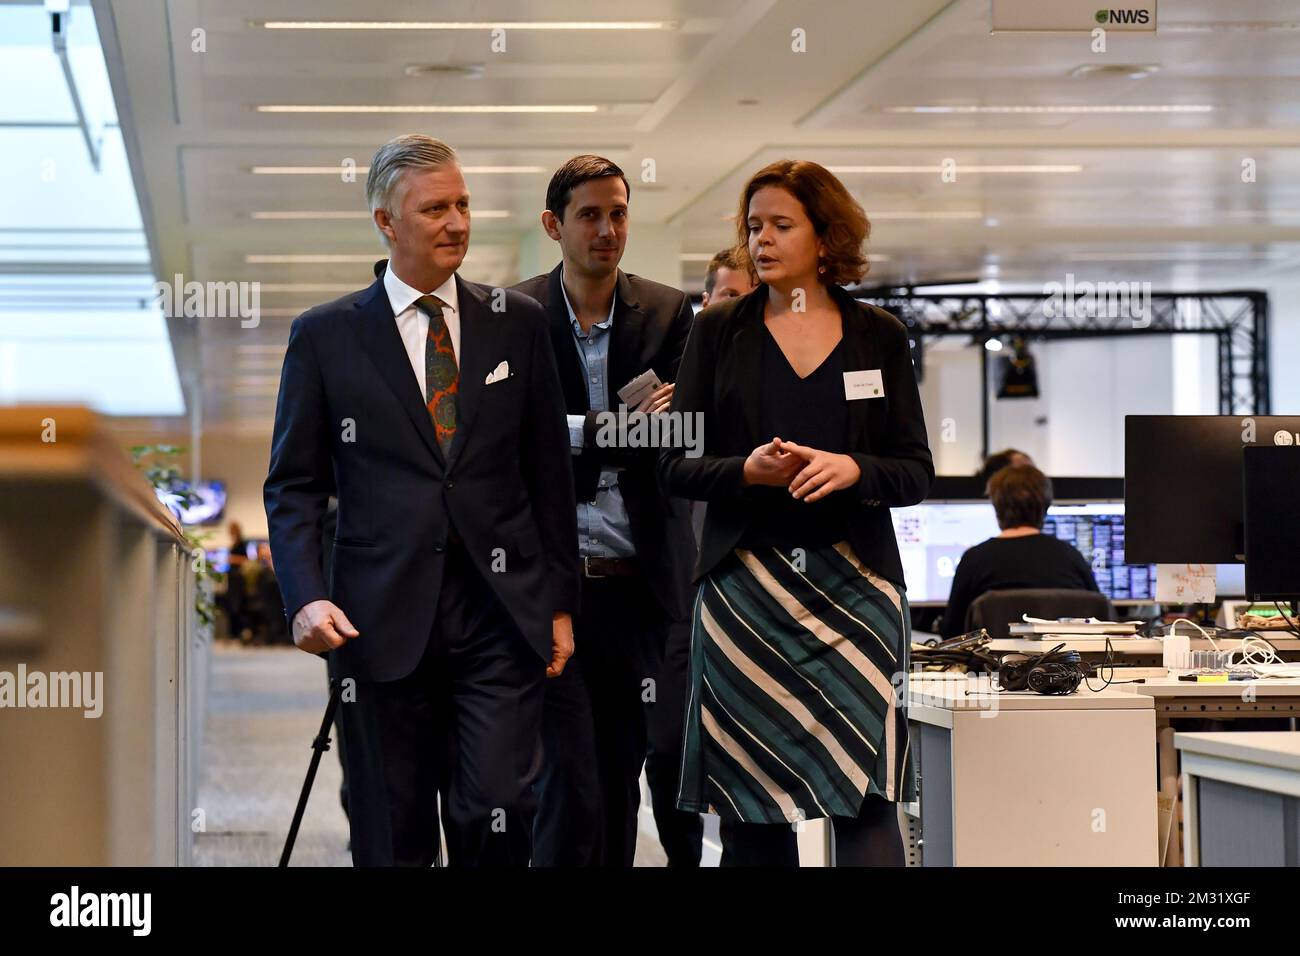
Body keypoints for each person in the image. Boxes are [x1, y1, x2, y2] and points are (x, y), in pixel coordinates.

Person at [264, 133, 579, 867]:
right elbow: (294, 485)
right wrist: (304, 596)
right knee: (392, 832)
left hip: (501, 614)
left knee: (497, 809)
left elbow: (548, 477)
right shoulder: (326, 336)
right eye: (435, 208)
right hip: (376, 620)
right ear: (386, 221)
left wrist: (560, 603)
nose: (456, 222)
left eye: (463, 204)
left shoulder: (517, 323)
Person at [660, 159, 934, 866]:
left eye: (781, 225)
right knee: (753, 810)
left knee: (867, 800)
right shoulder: (717, 330)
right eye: (754, 227)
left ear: (825, 234)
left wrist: (854, 470)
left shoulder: (879, 334)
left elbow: (914, 471)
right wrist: (745, 471)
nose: (762, 241)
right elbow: (675, 464)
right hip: (745, 594)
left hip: (857, 595)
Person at [511, 155, 703, 867]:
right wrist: (608, 431)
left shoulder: (668, 311)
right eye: (590, 214)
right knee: (566, 781)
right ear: (553, 224)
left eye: (618, 212)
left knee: (621, 774)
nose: (607, 229)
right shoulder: (517, 314)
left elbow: (683, 433)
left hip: (637, 582)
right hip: (550, 585)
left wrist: (563, 432)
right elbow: (507, 441)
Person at [940, 464, 1099, 639]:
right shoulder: (1071, 556)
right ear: (1045, 507)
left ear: (996, 506)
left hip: (991, 665)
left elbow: (951, 633)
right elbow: (1100, 617)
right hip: (1069, 664)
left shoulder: (975, 559)